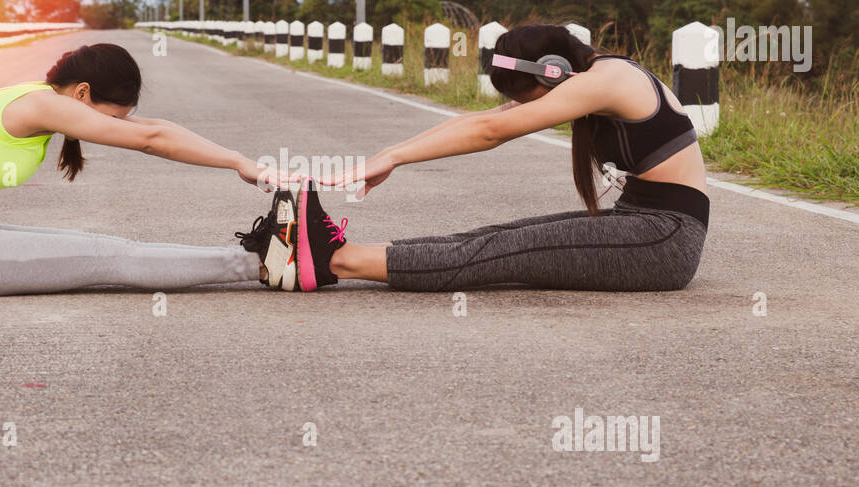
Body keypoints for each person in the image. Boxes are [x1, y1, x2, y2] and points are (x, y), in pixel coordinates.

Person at [288, 23, 710, 293]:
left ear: (553, 70)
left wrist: (394, 159)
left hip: (666, 241)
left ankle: (336, 261)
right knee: (491, 236)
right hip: (639, 223)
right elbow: (482, 119)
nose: (524, 107)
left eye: (527, 98)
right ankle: (328, 249)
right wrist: (389, 155)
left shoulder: (610, 80)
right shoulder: (589, 77)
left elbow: (490, 133)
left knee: (499, 250)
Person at [0, 42, 300, 296]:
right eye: (112, 116)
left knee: (106, 249)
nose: (115, 125)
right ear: (82, 93)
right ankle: (263, 262)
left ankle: (259, 254)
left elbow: (156, 130)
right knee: (106, 255)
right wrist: (237, 163)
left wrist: (238, 160)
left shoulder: (41, 100)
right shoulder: (41, 105)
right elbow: (150, 141)